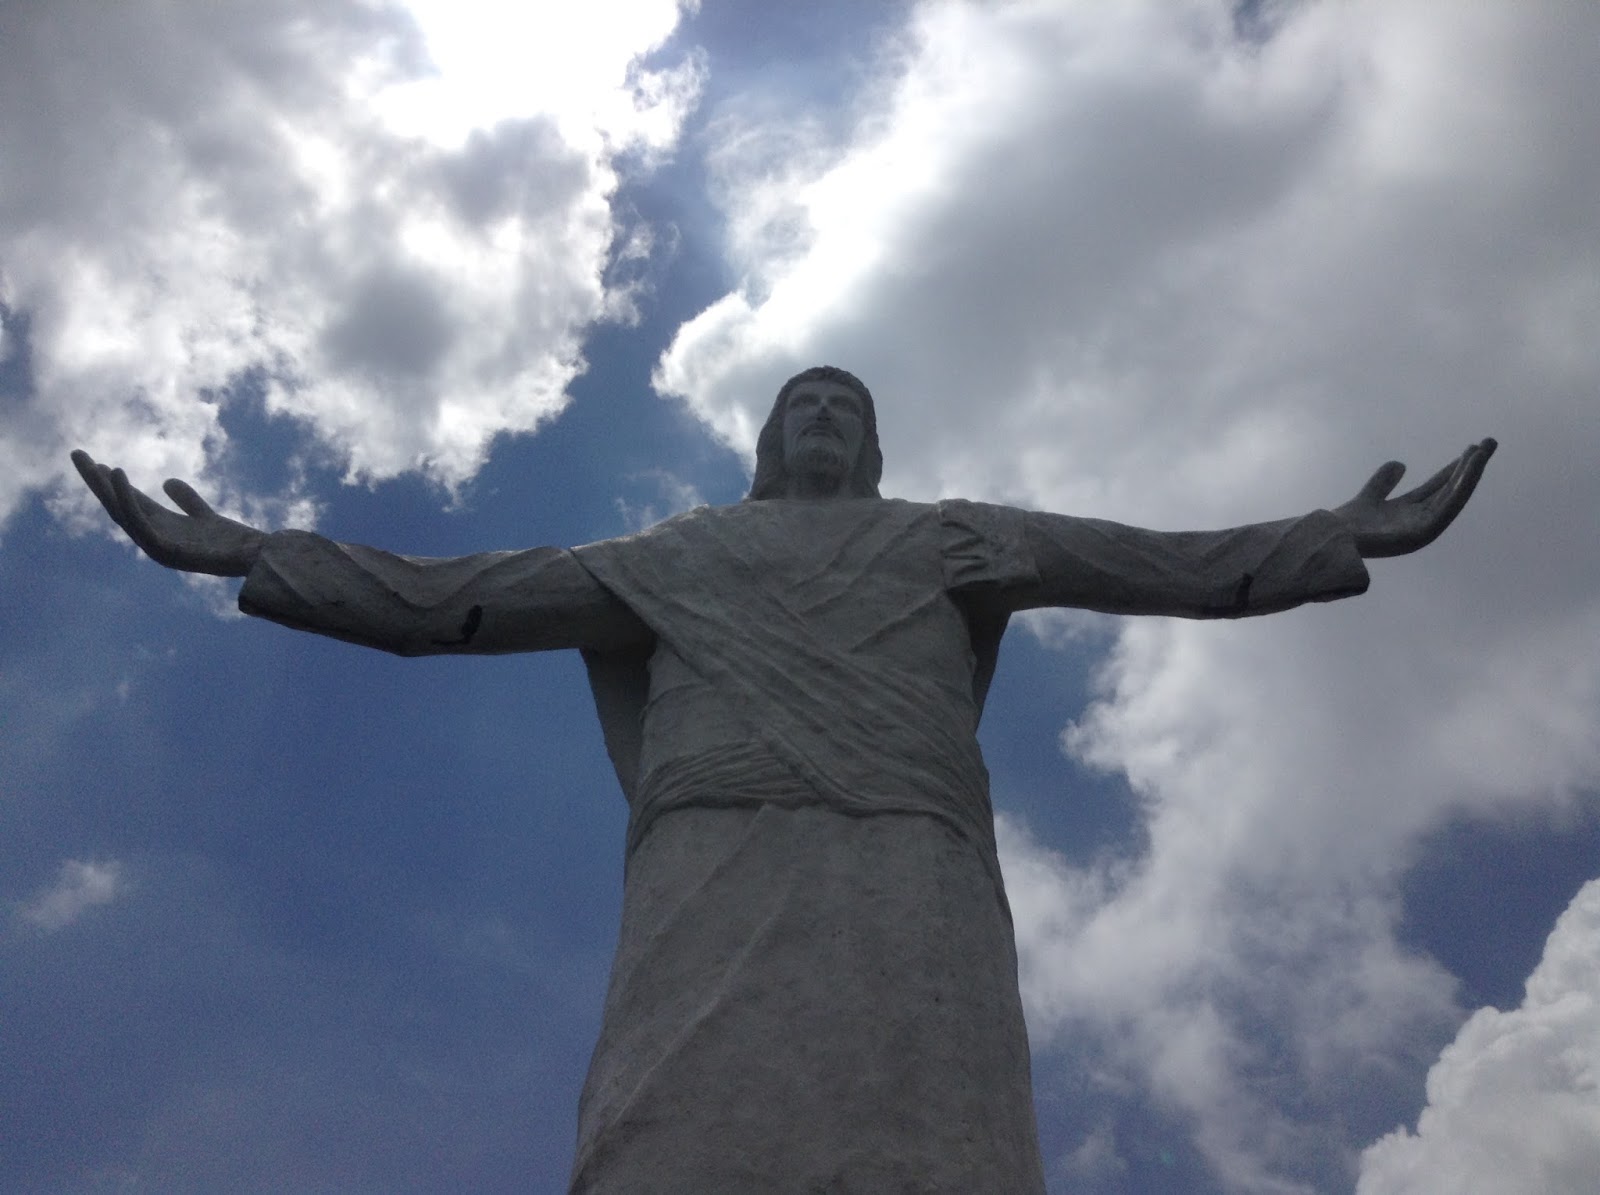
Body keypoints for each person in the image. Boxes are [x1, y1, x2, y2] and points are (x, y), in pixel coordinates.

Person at [73, 366, 1495, 1193]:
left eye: (844, 405)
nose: (821, 414)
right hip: (714, 856)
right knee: (671, 1127)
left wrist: (1330, 538)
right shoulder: (675, 556)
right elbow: (454, 599)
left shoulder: (953, 536)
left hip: (912, 858)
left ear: (872, 448)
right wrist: (261, 554)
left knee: (939, 1130)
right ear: (765, 442)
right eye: (800, 401)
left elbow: (1157, 562)